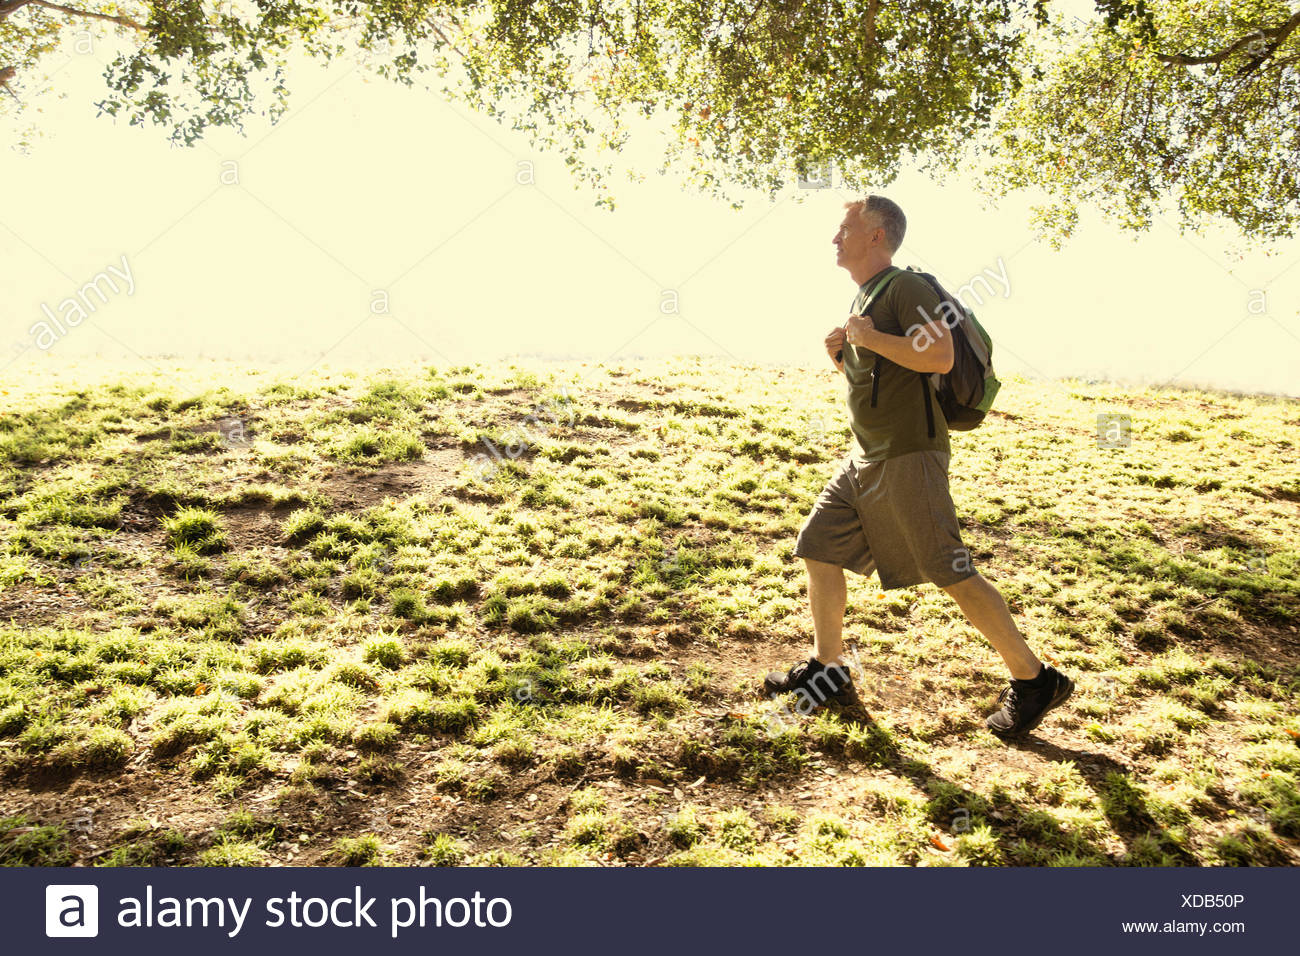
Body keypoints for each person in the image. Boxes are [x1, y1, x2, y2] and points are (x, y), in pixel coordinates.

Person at [762, 195, 1073, 739]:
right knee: (819, 543)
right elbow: (885, 377)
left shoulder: (904, 286)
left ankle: (1035, 679)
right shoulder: (868, 295)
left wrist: (867, 337)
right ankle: (828, 671)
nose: (835, 238)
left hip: (910, 455)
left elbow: (939, 358)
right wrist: (843, 354)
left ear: (877, 235)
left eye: (845, 229)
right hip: (867, 455)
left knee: (947, 567)